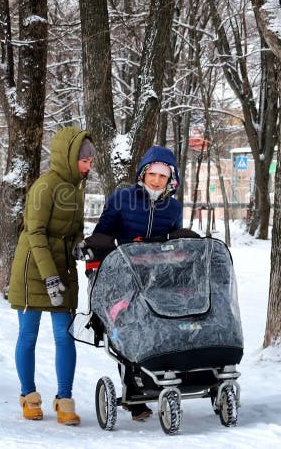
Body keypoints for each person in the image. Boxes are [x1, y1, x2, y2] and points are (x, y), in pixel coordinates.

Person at [88, 145, 183, 420]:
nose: (156, 180)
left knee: (163, 326)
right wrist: (95, 264)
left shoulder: (173, 207)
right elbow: (102, 234)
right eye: (152, 174)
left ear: (170, 180)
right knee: (129, 329)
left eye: (162, 177)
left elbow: (177, 242)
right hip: (122, 278)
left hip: (157, 280)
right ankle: (135, 393)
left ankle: (162, 380)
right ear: (143, 173)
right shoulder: (122, 198)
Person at [8, 127, 94, 426]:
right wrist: (49, 277)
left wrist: (81, 244)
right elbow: (35, 233)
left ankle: (64, 398)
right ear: (70, 158)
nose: (89, 165)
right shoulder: (44, 187)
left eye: (91, 160)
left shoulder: (77, 187)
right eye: (85, 160)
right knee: (28, 333)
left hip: (62, 267)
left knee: (64, 334)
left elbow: (76, 228)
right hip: (33, 267)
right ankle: (28, 396)